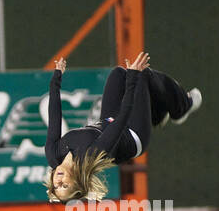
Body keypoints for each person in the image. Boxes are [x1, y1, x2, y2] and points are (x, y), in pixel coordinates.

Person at [45, 51, 200, 202]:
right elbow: (122, 119)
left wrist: (56, 79)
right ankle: (182, 107)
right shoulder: (89, 156)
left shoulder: (53, 154)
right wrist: (133, 78)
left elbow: (54, 118)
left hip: (108, 120)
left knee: (118, 74)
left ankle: (158, 113)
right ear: (76, 180)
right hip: (133, 134)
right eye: (65, 186)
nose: (59, 183)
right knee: (142, 75)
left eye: (56, 187)